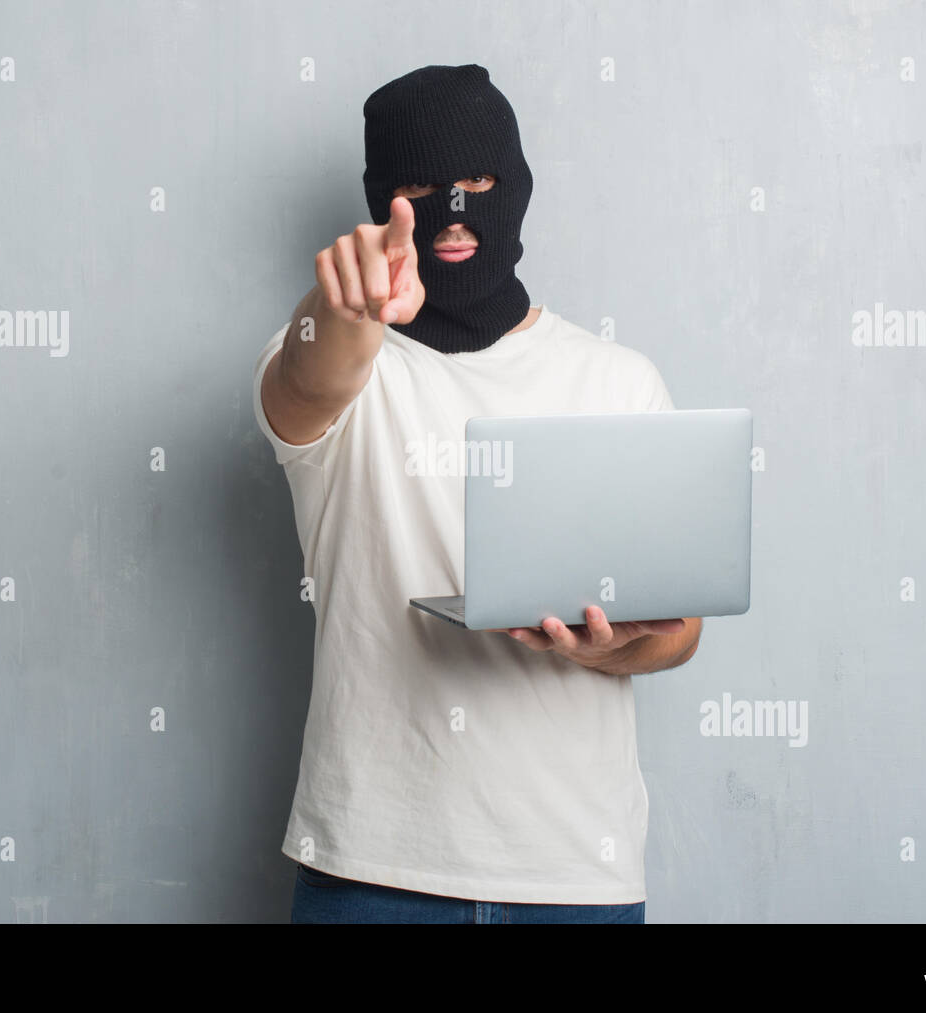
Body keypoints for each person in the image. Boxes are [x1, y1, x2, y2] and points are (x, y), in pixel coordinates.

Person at [252, 64, 703, 924]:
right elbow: (308, 379)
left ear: (516, 185)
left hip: (577, 872)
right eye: (421, 187)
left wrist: (608, 650)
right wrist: (349, 309)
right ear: (385, 201)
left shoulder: (619, 380)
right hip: (372, 870)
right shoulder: (336, 361)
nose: (455, 211)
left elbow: (678, 631)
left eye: (481, 182)